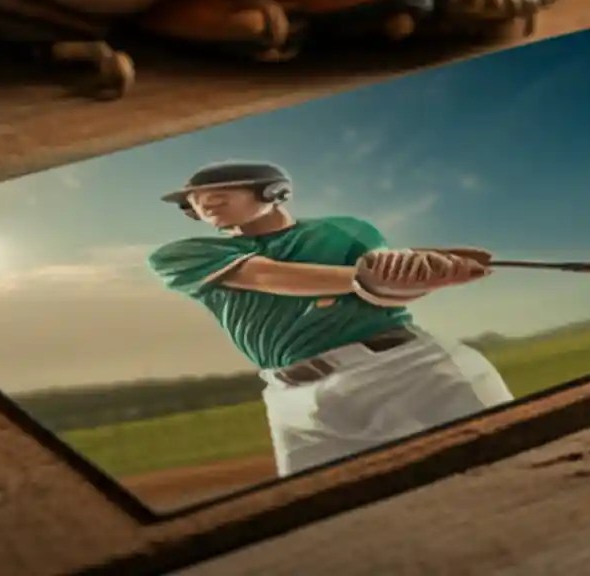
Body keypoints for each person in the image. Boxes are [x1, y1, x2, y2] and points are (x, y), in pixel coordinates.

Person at [147, 161, 515, 477]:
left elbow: (388, 292)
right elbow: (267, 276)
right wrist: (364, 278)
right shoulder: (183, 254)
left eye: (223, 189)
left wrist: (422, 275)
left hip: (408, 371)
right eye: (194, 197)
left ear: (273, 190)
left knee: (509, 464)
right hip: (291, 400)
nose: (205, 200)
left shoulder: (344, 230)